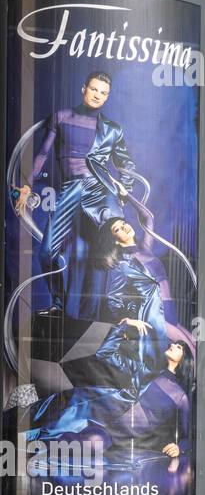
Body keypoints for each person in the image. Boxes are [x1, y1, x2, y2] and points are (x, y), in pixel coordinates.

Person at [16, 70, 136, 319]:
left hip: (102, 191)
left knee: (105, 249)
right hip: (71, 189)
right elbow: (42, 153)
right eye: (94, 90)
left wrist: (125, 188)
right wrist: (27, 185)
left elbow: (126, 164)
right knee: (47, 252)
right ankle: (58, 305)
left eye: (104, 93)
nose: (98, 96)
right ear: (84, 89)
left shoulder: (112, 129)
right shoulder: (61, 117)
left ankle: (112, 310)